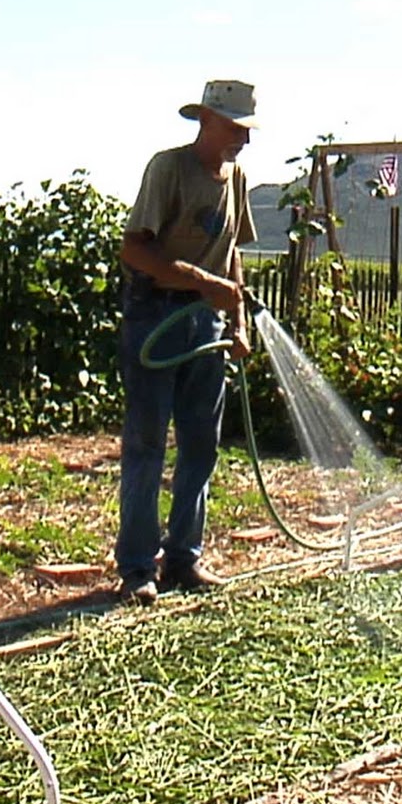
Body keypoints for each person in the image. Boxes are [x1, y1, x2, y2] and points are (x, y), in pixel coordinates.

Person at [114, 80, 258, 605]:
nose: (242, 139)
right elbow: (134, 249)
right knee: (148, 443)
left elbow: (232, 252)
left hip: (206, 324)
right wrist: (201, 282)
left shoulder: (236, 177)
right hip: (155, 314)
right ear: (205, 120)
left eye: (247, 130)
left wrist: (237, 321)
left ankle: (184, 559)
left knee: (200, 444)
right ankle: (137, 567)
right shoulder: (169, 169)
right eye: (234, 127)